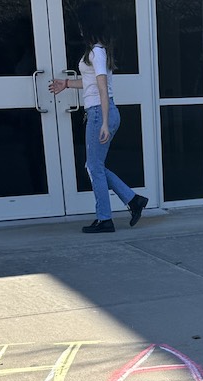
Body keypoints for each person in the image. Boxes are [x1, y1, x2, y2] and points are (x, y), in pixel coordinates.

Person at [48, 3, 147, 233]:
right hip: (100, 112)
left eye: (81, 25)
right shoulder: (96, 51)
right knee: (95, 166)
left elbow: (102, 88)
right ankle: (133, 200)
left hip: (100, 113)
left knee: (94, 166)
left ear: (88, 25)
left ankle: (105, 219)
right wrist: (67, 84)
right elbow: (91, 83)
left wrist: (103, 122)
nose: (80, 29)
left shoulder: (96, 52)